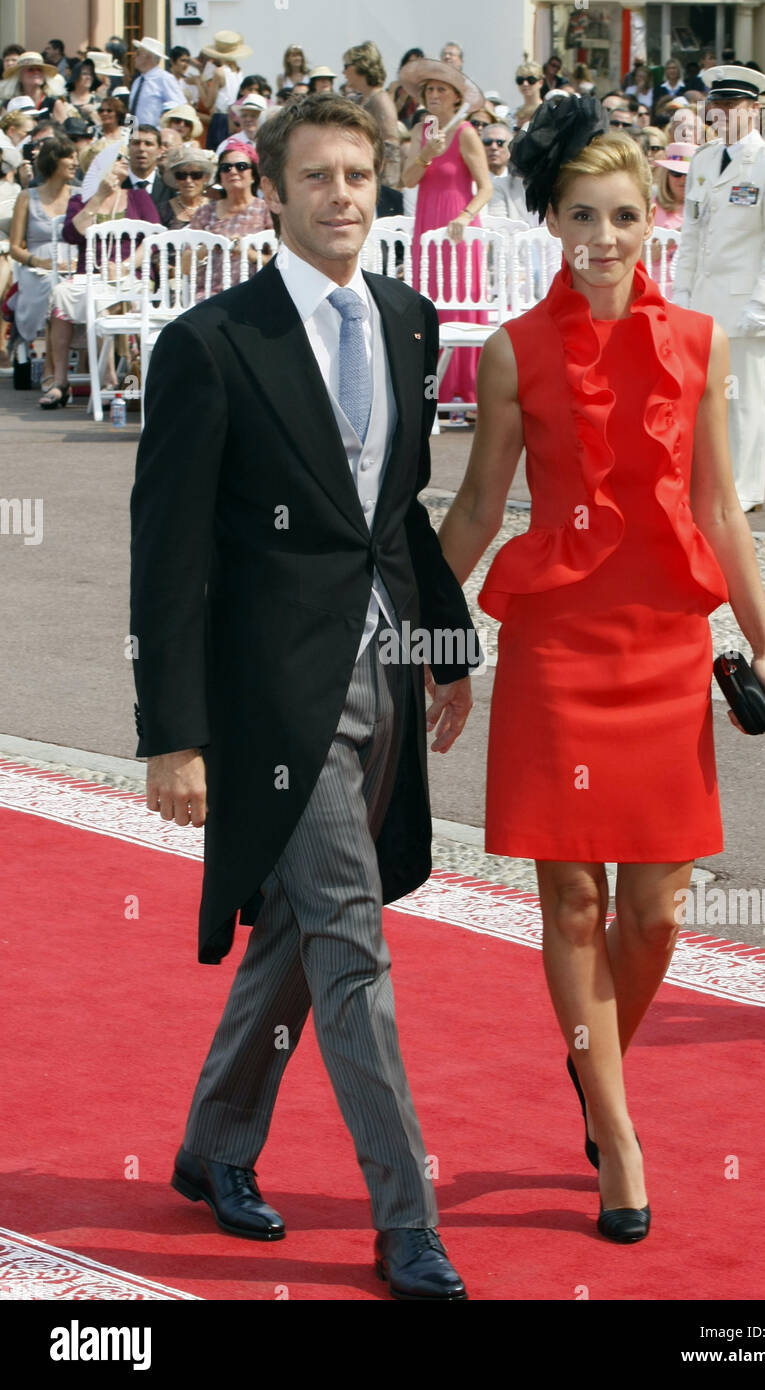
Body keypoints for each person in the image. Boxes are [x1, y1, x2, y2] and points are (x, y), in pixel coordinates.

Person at [129, 91, 477, 1300]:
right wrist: (174, 737)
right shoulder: (212, 344)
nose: (342, 196)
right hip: (275, 699)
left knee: (299, 928)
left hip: (383, 664)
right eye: (317, 177)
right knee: (350, 935)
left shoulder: (404, 317)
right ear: (269, 191)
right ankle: (407, 1219)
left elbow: (394, 514)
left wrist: (444, 638)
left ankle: (213, 1145)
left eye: (358, 175)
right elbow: (164, 560)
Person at [435, 99, 765, 1246]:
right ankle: (619, 1135)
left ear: (655, 219)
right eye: (580, 214)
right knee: (575, 899)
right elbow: (481, 505)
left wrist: (763, 633)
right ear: (548, 220)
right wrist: (424, 629)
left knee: (655, 908)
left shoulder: (696, 341)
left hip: (665, 644)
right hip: (557, 650)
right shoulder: (510, 351)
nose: (601, 236)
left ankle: (592, 1071)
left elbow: (717, 504)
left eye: (623, 215)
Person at [672, 65, 765, 513]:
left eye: (733, 105)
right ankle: (709, 484)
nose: (723, 112)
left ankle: (746, 489)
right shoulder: (703, 160)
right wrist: (680, 294)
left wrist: (763, 304)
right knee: (702, 398)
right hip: (704, 303)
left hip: (747, 304)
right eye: (717, 104)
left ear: (754, 110)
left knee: (744, 401)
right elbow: (691, 234)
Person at [399, 56, 492, 412]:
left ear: (456, 97)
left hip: (458, 228)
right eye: (430, 90)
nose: (434, 95)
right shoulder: (420, 130)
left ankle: (466, 391)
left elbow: (485, 188)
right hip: (427, 224)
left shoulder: (466, 133)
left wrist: (466, 216)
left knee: (462, 298)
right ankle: (433, 391)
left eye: (441, 89)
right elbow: (407, 180)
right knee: (432, 302)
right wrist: (426, 153)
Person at [42, 150, 160, 408]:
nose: (122, 161)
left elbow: (153, 240)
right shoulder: (81, 200)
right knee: (61, 293)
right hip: (91, 275)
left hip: (132, 275)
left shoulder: (139, 197)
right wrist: (99, 197)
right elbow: (72, 234)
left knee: (106, 299)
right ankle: (60, 381)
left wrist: (126, 266)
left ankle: (113, 377)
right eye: (115, 158)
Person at [8, 134, 76, 398]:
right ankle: (52, 369)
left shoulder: (80, 196)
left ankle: (56, 372)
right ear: (53, 161)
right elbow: (15, 248)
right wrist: (40, 261)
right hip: (38, 268)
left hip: (73, 266)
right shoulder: (27, 197)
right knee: (51, 286)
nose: (74, 163)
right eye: (68, 157)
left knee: (64, 287)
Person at [185, 138, 272, 290]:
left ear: (253, 176)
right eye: (226, 167)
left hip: (253, 294)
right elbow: (183, 267)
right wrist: (207, 248)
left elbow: (280, 263)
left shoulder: (266, 211)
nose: (233, 171)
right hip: (208, 296)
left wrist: (247, 252)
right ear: (220, 176)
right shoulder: (205, 212)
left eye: (241, 166)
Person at [343, 43, 402, 193]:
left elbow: (391, 148)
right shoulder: (360, 100)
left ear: (360, 66)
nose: (343, 72)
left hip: (381, 186)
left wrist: (385, 188)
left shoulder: (381, 101)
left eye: (346, 66)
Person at [648, 140, 694, 290]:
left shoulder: (706, 209)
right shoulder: (651, 207)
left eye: (688, 174)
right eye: (676, 173)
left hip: (691, 288)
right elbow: (647, 256)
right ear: (666, 175)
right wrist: (679, 234)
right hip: (657, 287)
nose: (683, 180)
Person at [199, 31, 251, 150]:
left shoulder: (219, 72)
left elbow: (208, 103)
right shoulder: (238, 71)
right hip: (236, 116)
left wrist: (199, 83)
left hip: (221, 119)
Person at [128, 37, 185, 129]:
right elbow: (131, 110)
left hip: (155, 136)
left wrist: (161, 129)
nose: (134, 56)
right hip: (136, 136)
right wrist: (130, 134)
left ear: (148, 57)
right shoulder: (137, 81)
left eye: (138, 53)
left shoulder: (165, 79)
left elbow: (178, 106)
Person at [484, 123, 536, 224]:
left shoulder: (560, 187)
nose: (494, 147)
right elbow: (499, 229)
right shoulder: (500, 186)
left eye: (500, 142)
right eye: (487, 142)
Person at [159, 143, 215, 228]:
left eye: (195, 175)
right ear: (175, 178)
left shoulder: (216, 208)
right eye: (181, 175)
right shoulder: (163, 210)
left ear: (206, 178)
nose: (188, 181)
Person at [123, 125, 170, 208]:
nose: (141, 148)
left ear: (159, 151)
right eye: (136, 143)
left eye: (148, 144)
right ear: (128, 148)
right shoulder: (117, 185)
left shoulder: (169, 187)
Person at [512, 61, 544, 130]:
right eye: (520, 80)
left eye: (531, 80)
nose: (525, 84)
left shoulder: (549, 111)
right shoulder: (512, 114)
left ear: (541, 83)